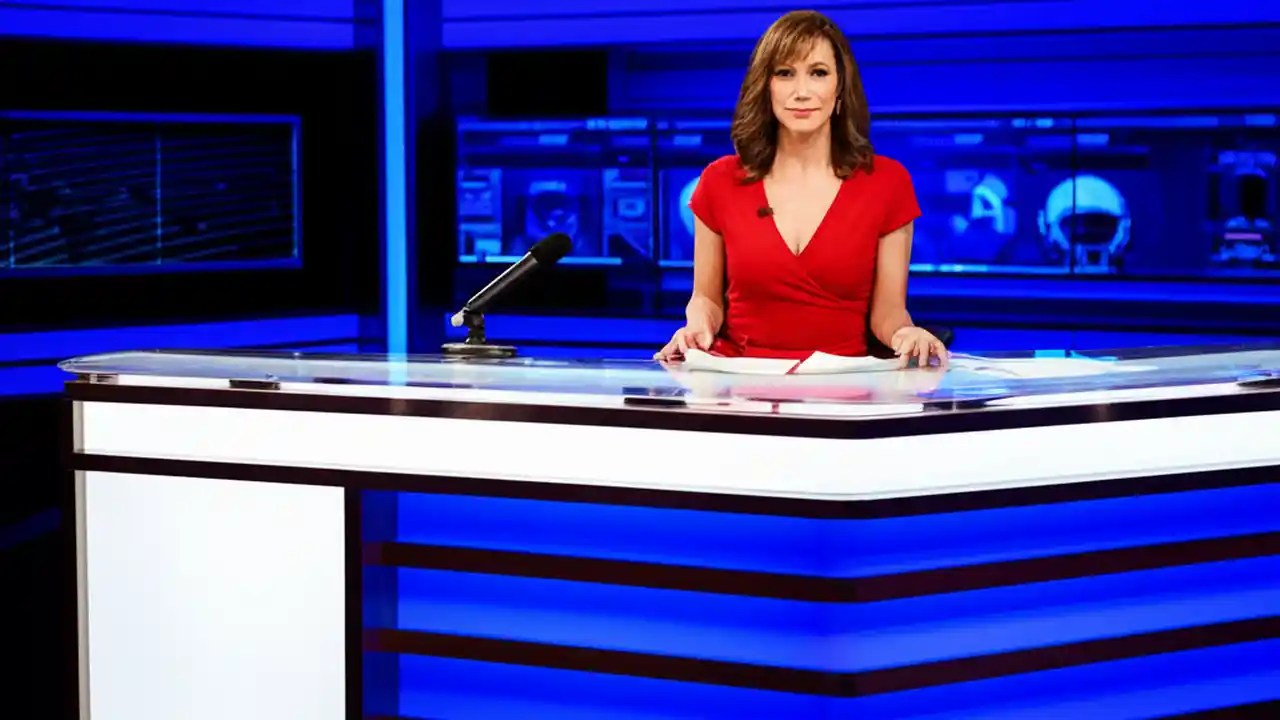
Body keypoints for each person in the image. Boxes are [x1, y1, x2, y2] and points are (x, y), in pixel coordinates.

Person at [655, 10, 948, 368]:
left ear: (840, 89)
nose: (802, 92)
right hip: (737, 380)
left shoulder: (887, 183)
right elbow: (706, 298)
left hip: (844, 386)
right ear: (766, 87)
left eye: (818, 73)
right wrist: (696, 327)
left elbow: (888, 313)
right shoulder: (719, 181)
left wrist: (905, 334)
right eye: (785, 73)